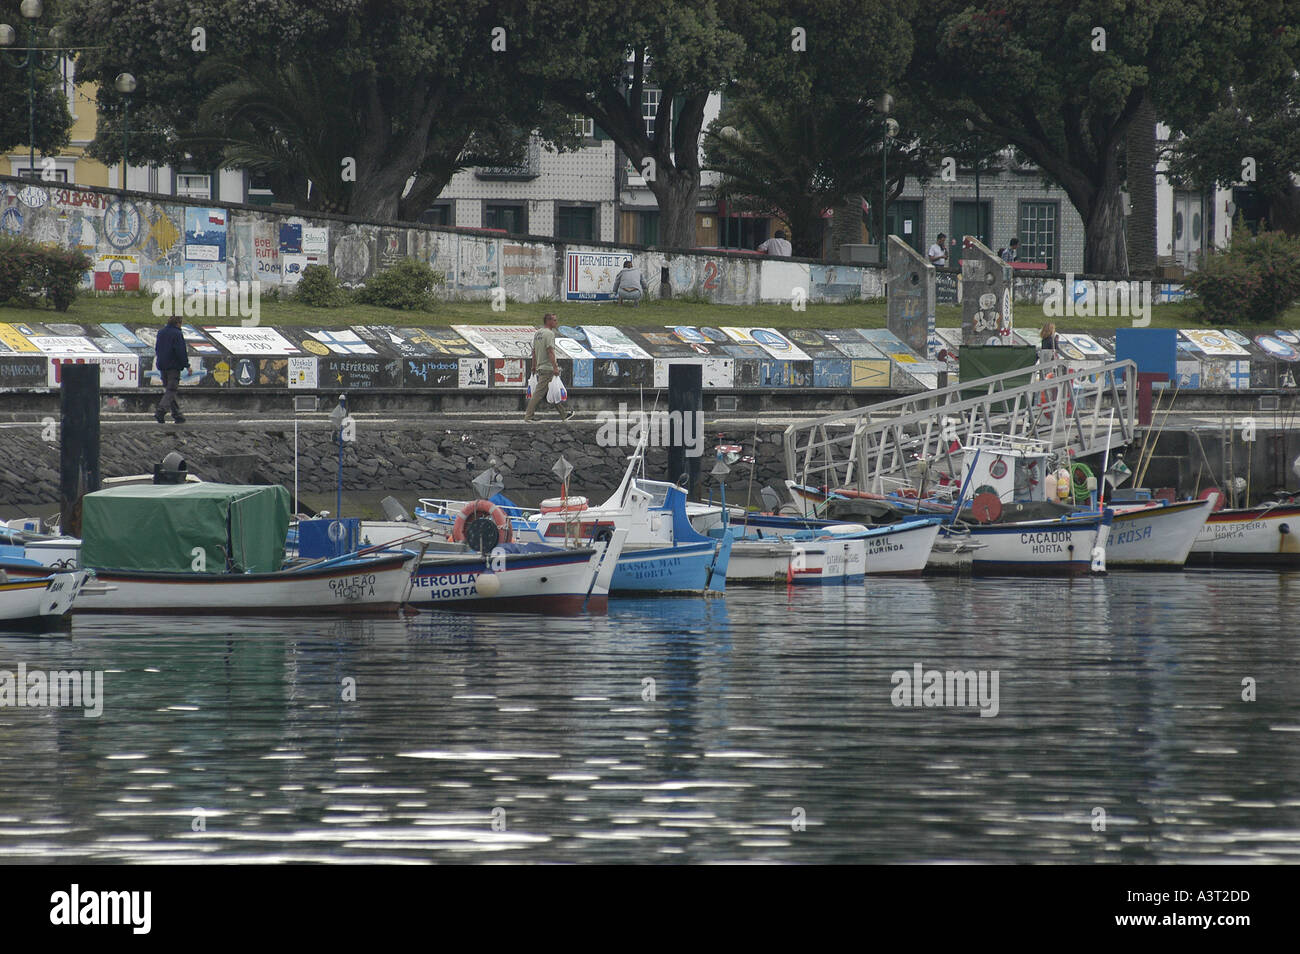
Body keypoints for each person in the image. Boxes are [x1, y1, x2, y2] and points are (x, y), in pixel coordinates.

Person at [525, 312, 574, 422]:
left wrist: (533, 366)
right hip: (547, 368)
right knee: (538, 393)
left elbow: (534, 352)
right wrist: (555, 367)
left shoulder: (537, 334)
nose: (556, 322)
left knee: (552, 390)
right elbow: (550, 351)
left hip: (540, 367)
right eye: (554, 320)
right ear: (548, 321)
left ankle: (563, 414)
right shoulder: (549, 334)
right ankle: (529, 416)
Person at [154, 314, 187, 424]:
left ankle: (177, 414)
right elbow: (180, 351)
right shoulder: (177, 334)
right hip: (173, 367)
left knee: (169, 391)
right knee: (171, 390)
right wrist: (186, 365)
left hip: (162, 365)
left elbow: (157, 348)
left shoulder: (161, 332)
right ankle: (161, 411)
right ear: (178, 323)